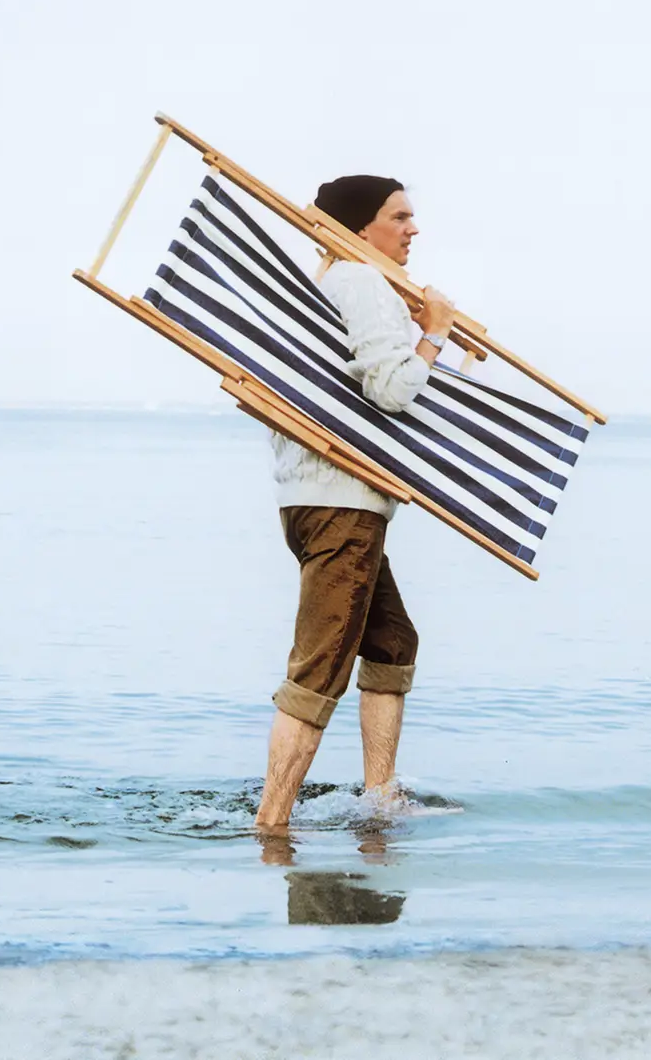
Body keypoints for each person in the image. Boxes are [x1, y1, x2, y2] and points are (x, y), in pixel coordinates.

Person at [253, 175, 457, 836]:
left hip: (313, 500)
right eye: (400, 216)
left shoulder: (327, 284)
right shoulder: (364, 283)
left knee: (391, 641)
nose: (412, 229)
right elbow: (393, 389)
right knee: (319, 669)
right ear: (360, 228)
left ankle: (380, 799)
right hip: (342, 507)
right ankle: (273, 823)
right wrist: (435, 333)